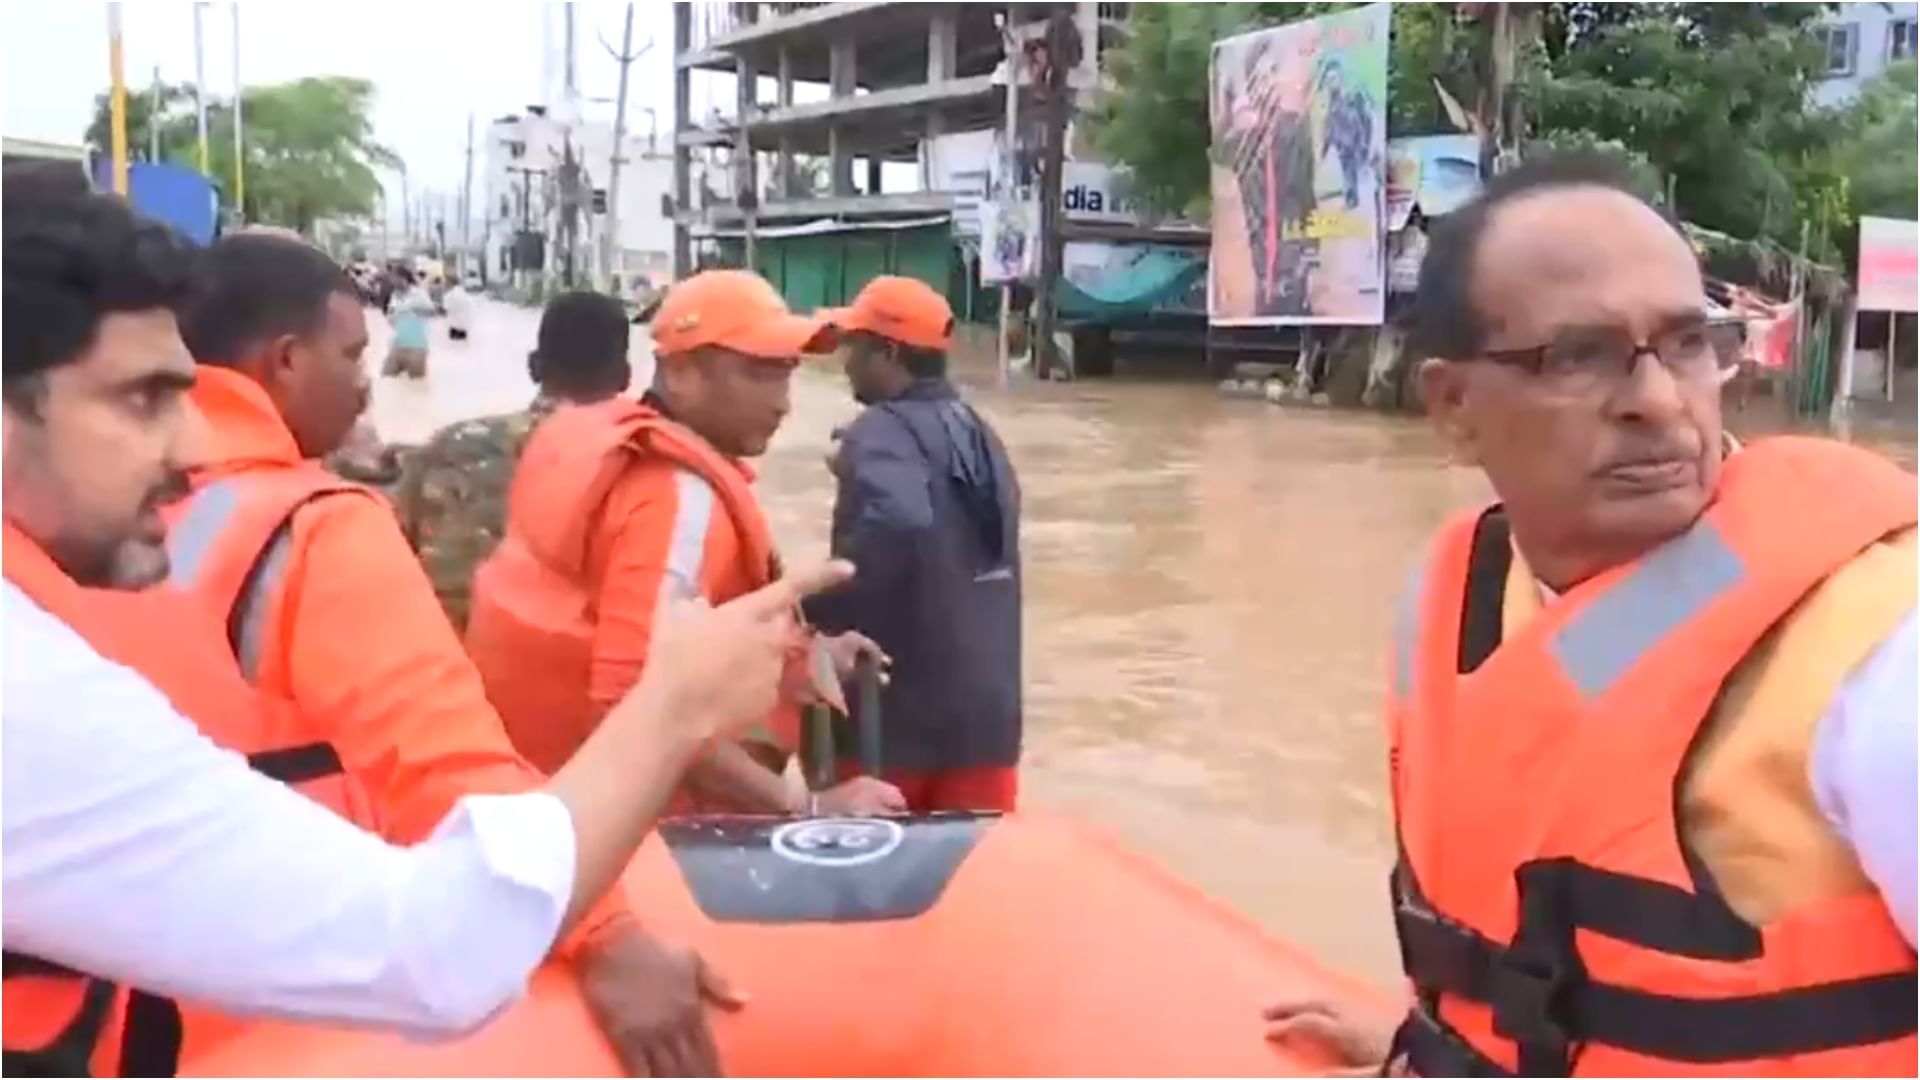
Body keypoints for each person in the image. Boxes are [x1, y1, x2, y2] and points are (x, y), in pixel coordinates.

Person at [1, 174, 842, 1076]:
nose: (184, 446)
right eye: (140, 400)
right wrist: (614, 918)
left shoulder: (89, 546)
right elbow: (451, 828)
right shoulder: (315, 527)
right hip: (261, 1023)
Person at [1265, 153, 1917, 1076]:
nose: (1658, 403)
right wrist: (1434, 1041)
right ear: (1455, 409)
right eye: (1580, 357)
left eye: (1689, 343)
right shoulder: (1456, 599)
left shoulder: (1880, 653)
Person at [156, 232, 745, 1075]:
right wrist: (606, 933)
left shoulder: (88, 489)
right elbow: (451, 770)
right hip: (255, 1004)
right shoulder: (313, 526)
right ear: (285, 361)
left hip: (97, 983)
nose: (366, 381)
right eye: (352, 353)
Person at [467, 270, 907, 817]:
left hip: (539, 789)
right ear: (679, 375)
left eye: (786, 374)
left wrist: (808, 657)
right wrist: (807, 804)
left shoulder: (587, 434)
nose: (783, 404)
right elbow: (641, 698)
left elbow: (644, 622)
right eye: (758, 373)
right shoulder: (677, 496)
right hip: (628, 831)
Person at [809, 276, 1023, 812]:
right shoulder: (980, 432)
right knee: (970, 891)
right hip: (987, 728)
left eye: (854, 345)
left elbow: (902, 518)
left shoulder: (879, 430)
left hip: (895, 732)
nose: (845, 360)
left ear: (889, 352)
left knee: (867, 890)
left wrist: (811, 611)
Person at [397, 290, 633, 629]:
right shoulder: (634, 469)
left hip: (442, 664)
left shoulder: (447, 448)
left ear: (534, 366)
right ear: (625, 377)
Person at [383, 268, 433, 378]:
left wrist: (412, 310)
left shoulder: (419, 293)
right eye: (392, 279)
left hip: (417, 345)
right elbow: (390, 314)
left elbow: (431, 311)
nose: (393, 281)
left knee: (416, 382)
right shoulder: (394, 296)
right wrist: (391, 317)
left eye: (395, 278)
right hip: (398, 343)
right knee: (385, 376)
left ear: (404, 279)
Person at [444, 275, 474, 341]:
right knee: (462, 346)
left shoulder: (449, 295)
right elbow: (470, 307)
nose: (446, 284)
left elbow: (446, 309)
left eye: (447, 283)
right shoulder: (465, 294)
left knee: (453, 347)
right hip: (464, 326)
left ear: (451, 283)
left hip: (454, 326)